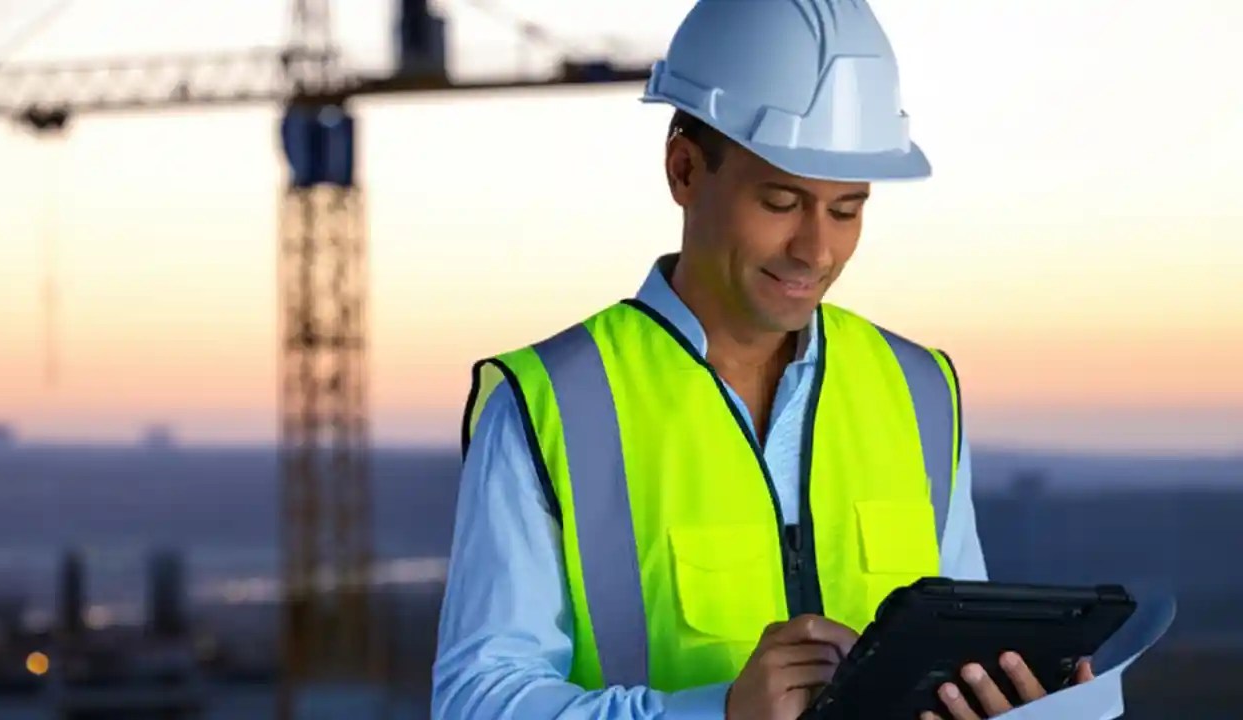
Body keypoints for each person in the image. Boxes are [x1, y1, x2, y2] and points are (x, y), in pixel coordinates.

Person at [432, 1, 1131, 718]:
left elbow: (954, 668)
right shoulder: (553, 404)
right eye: (780, 201)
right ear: (684, 171)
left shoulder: (920, 391)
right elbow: (477, 702)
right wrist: (717, 713)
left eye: (847, 209)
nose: (816, 250)